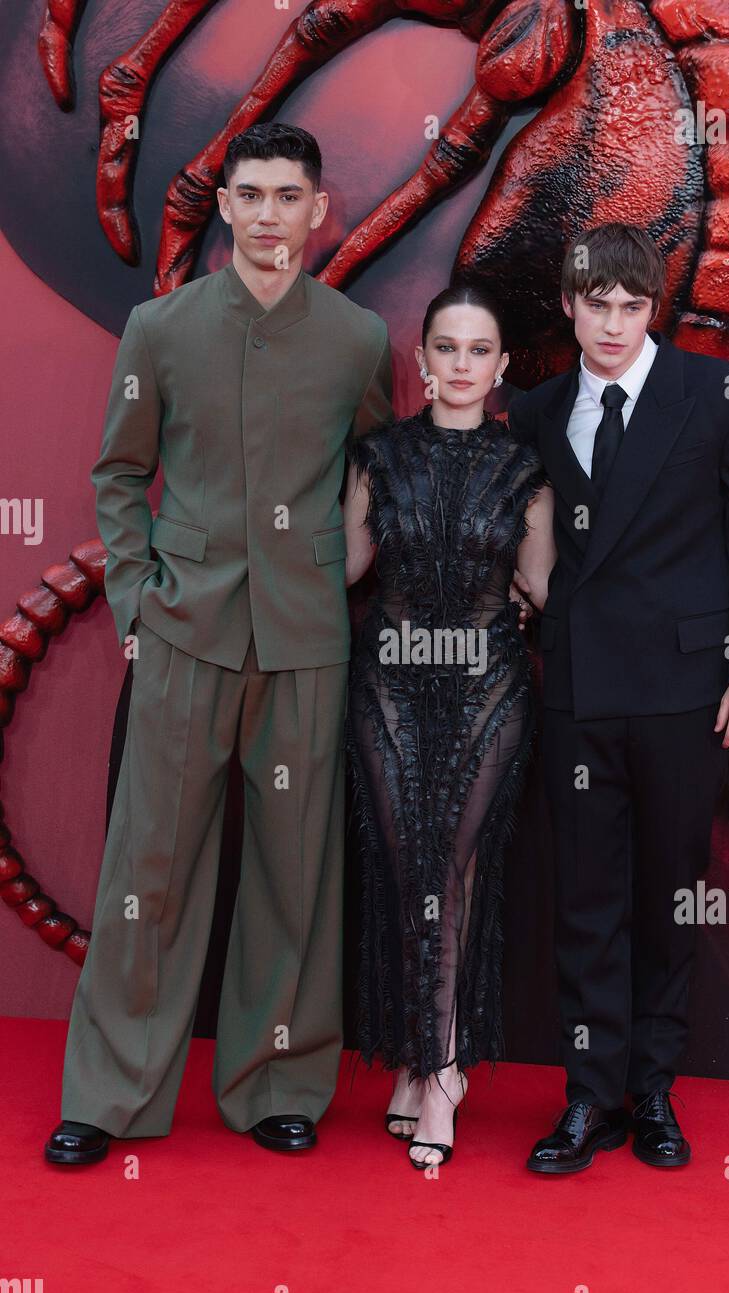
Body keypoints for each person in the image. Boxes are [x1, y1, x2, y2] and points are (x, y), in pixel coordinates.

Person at [45, 122, 393, 1165]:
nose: (270, 214)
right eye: (251, 194)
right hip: (185, 632)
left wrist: (350, 549)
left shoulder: (357, 339)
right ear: (225, 207)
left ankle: (277, 1082)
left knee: (294, 874)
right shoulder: (159, 328)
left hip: (305, 639)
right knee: (146, 870)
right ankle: (108, 1094)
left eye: (289, 195)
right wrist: (139, 603)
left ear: (317, 210)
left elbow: (373, 457)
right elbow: (118, 476)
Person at [508, 222, 729, 1174]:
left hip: (685, 690)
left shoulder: (721, 397)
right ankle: (590, 1100)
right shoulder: (537, 411)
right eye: (598, 305)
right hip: (579, 687)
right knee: (585, 901)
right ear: (570, 305)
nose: (615, 324)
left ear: (653, 307)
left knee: (670, 897)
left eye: (632, 307)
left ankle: (654, 1092)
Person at [343, 285, 555, 1168]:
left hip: (485, 696)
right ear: (421, 360)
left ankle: (440, 1072)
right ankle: (412, 1055)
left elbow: (541, 593)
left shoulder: (526, 474)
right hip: (387, 690)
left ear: (501, 367)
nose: (461, 365)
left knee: (451, 875)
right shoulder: (375, 459)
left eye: (479, 351)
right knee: (402, 870)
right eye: (446, 348)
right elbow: (344, 568)